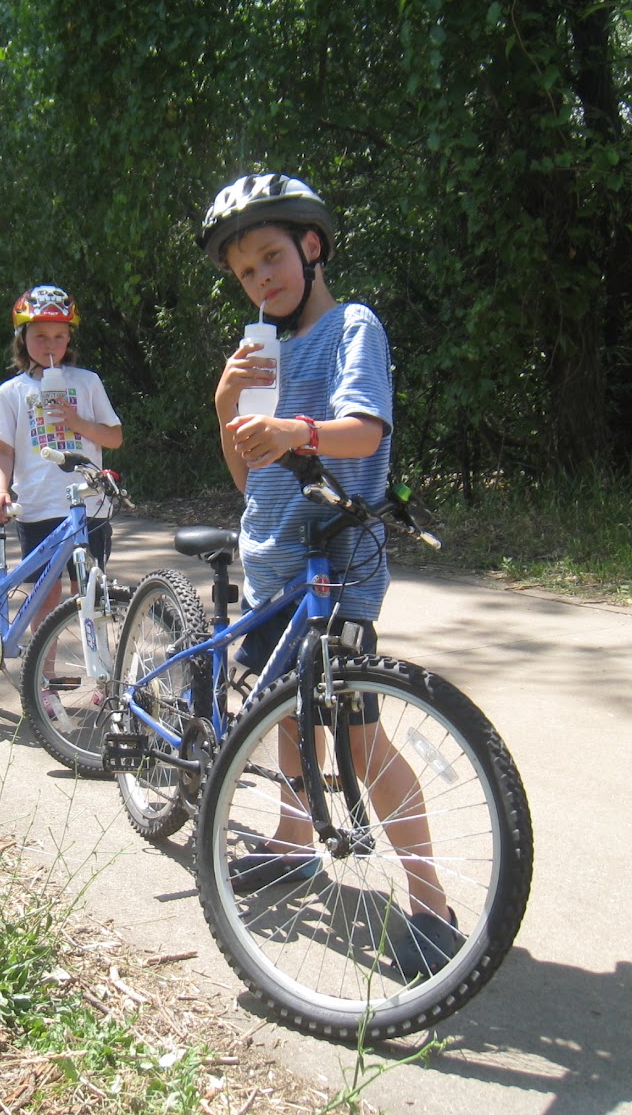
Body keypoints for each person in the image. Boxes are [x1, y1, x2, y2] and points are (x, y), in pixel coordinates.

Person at [201, 172, 458, 969]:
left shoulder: (353, 326)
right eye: (245, 272)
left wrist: (292, 428)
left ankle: (430, 900)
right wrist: (226, 408)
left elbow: (364, 433)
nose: (261, 280)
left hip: (338, 564)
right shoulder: (260, 350)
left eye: (271, 257)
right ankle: (290, 840)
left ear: (311, 247)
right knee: (283, 714)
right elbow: (250, 477)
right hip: (274, 557)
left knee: (359, 732)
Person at [0, 285, 123, 623]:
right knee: (46, 597)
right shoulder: (12, 392)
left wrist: (77, 422)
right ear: (22, 338)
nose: (50, 345)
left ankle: (100, 670)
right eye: (40, 336)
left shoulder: (87, 382)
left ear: (69, 340)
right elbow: (3, 450)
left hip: (88, 505)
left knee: (89, 592)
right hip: (37, 507)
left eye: (59, 336)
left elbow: (114, 437)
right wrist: (1, 491)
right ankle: (44, 674)